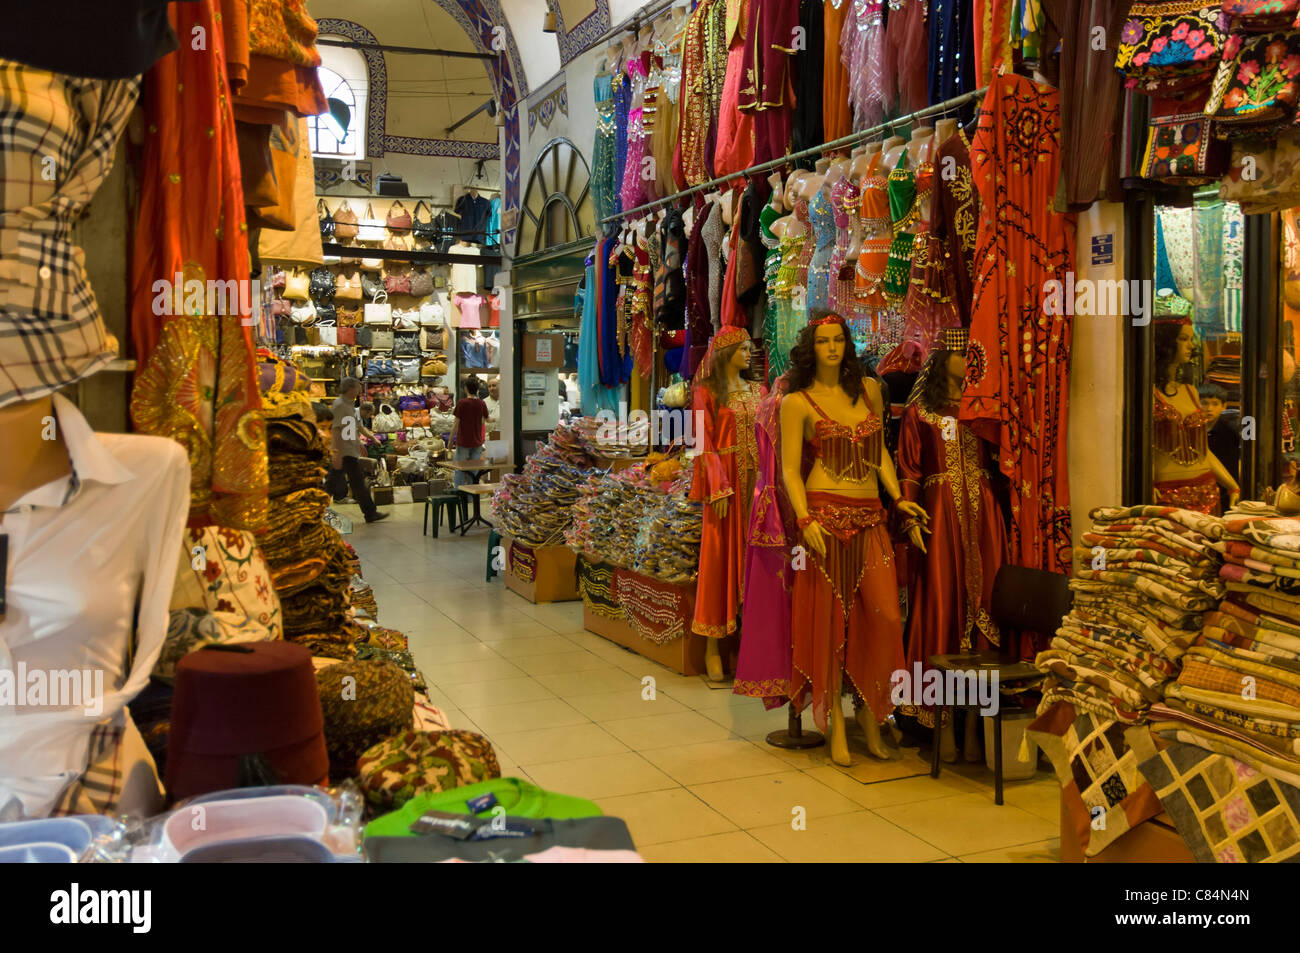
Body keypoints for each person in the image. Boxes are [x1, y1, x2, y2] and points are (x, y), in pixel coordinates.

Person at [327, 377, 388, 523]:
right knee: (335, 483)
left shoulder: (348, 405)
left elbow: (350, 427)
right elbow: (335, 430)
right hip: (343, 452)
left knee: (355, 482)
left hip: (348, 450)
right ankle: (370, 512)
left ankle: (370, 512)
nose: (359, 390)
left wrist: (358, 443)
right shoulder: (340, 405)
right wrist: (336, 453)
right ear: (351, 389)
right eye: (357, 388)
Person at [1199, 381, 1241, 513]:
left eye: (1215, 404)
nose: (1209, 408)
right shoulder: (1194, 431)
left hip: (1225, 490)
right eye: (1204, 403)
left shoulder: (1230, 432)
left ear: (1224, 406)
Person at [452, 376, 491, 488]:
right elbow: (487, 419)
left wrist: (450, 440)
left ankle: (458, 493)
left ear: (466, 388)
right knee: (473, 470)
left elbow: (456, 423)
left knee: (459, 469)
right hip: (477, 442)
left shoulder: (462, 403)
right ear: (477, 389)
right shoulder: (481, 403)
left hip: (463, 441)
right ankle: (471, 495)